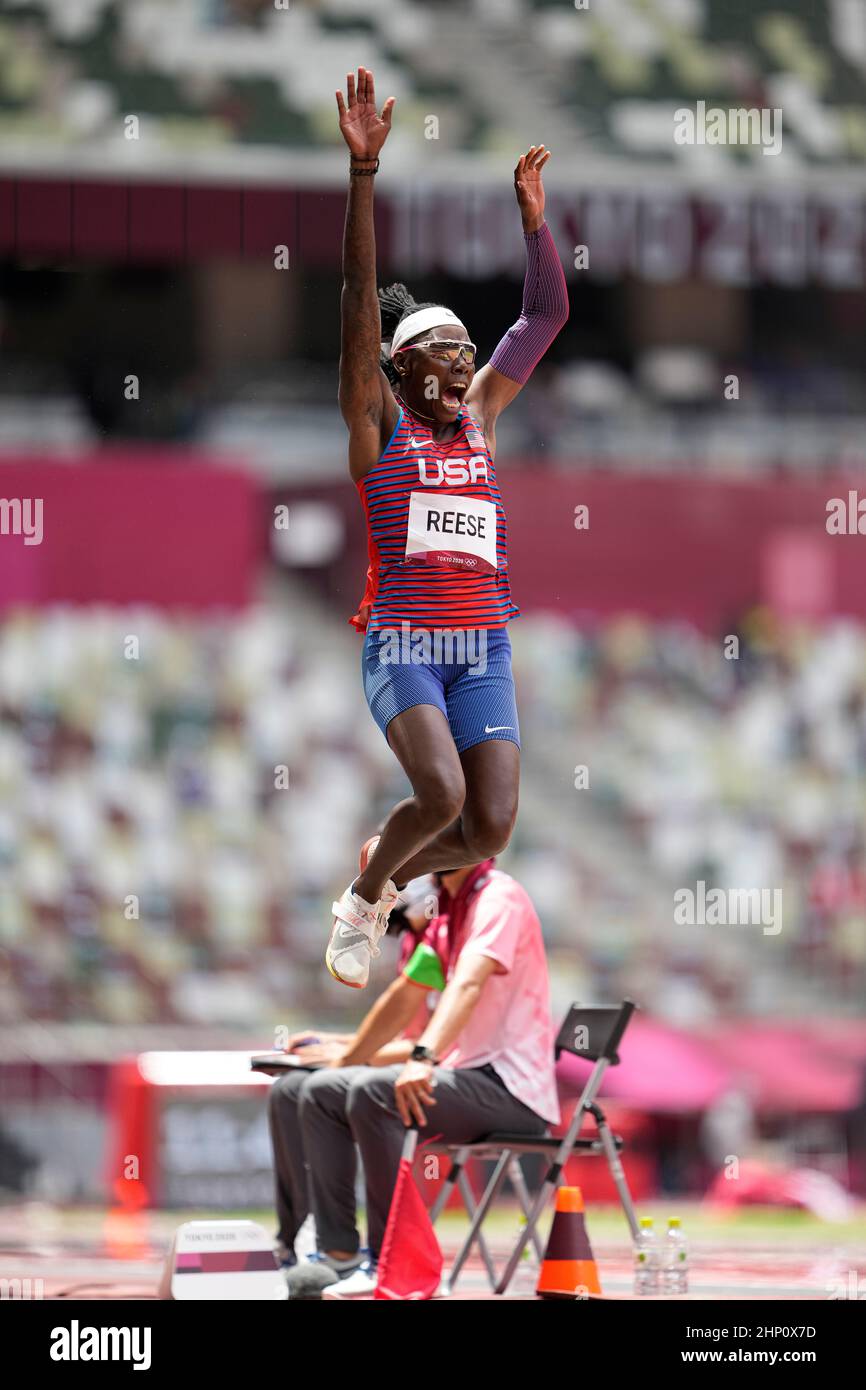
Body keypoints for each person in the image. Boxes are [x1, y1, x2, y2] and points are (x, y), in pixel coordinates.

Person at [326, 66, 569, 987]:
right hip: (405, 644)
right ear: (401, 366)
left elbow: (545, 312)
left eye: (472, 347)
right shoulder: (376, 425)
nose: (469, 360)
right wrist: (363, 177)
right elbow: (357, 304)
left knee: (492, 825)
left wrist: (534, 222)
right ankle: (363, 899)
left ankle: (378, 873)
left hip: (485, 648)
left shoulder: (485, 418)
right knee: (441, 793)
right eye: (450, 349)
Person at [272, 859, 559, 1297]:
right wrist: (346, 1055)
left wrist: (421, 1057)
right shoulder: (448, 912)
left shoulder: (498, 898)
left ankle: (392, 1263)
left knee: (373, 1092)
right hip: (464, 1076)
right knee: (324, 1090)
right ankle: (338, 1256)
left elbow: (466, 984)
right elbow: (404, 996)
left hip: (510, 1091)